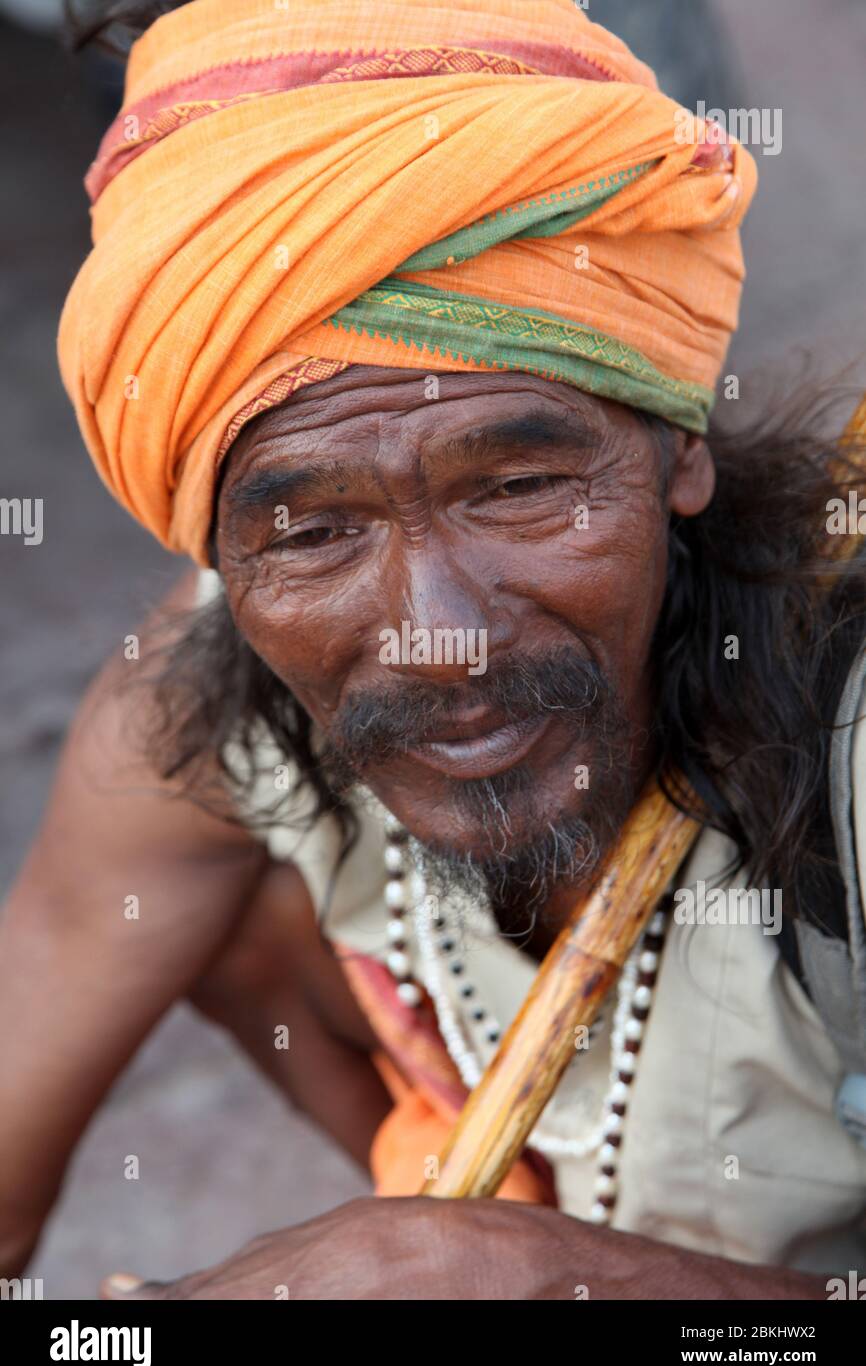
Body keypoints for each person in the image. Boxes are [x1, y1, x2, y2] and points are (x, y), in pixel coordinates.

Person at [2, 0, 865, 1300]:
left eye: (516, 486)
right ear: (219, 553)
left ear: (679, 445)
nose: (440, 637)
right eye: (315, 531)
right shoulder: (197, 700)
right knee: (217, 885)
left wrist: (489, 1265)